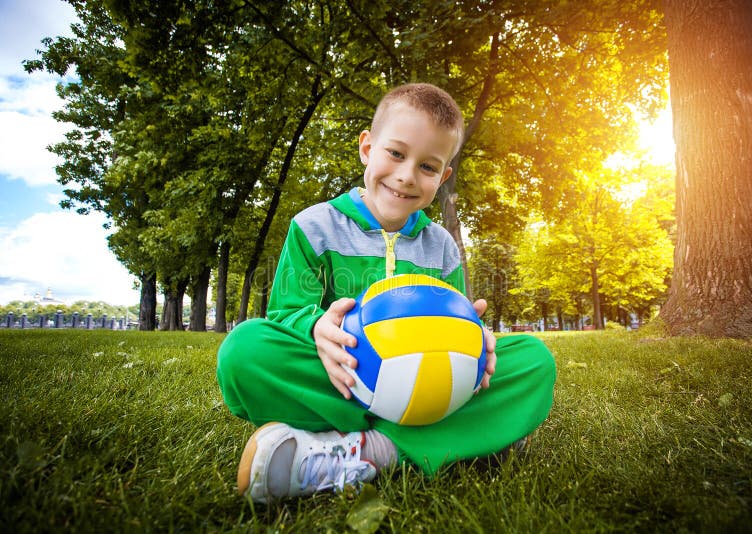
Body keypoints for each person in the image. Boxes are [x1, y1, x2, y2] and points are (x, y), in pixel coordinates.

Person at [216, 83, 556, 502]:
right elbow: (284, 313)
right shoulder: (312, 227)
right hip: (342, 377)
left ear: (443, 176)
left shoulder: (443, 247)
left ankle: (365, 452)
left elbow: (458, 327)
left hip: (430, 389)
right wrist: (318, 330)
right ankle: (469, 437)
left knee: (534, 362)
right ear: (367, 147)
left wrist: (477, 340)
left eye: (428, 167)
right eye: (395, 153)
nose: (406, 176)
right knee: (245, 351)